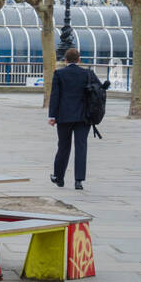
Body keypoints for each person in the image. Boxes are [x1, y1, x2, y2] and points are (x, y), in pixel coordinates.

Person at [49, 46, 94, 190]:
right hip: (83, 116)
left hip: (64, 116)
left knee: (63, 146)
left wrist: (52, 116)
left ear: (65, 60)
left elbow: (55, 96)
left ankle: (59, 177)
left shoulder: (59, 74)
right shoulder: (88, 74)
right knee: (81, 147)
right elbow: (98, 90)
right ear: (79, 60)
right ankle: (79, 180)